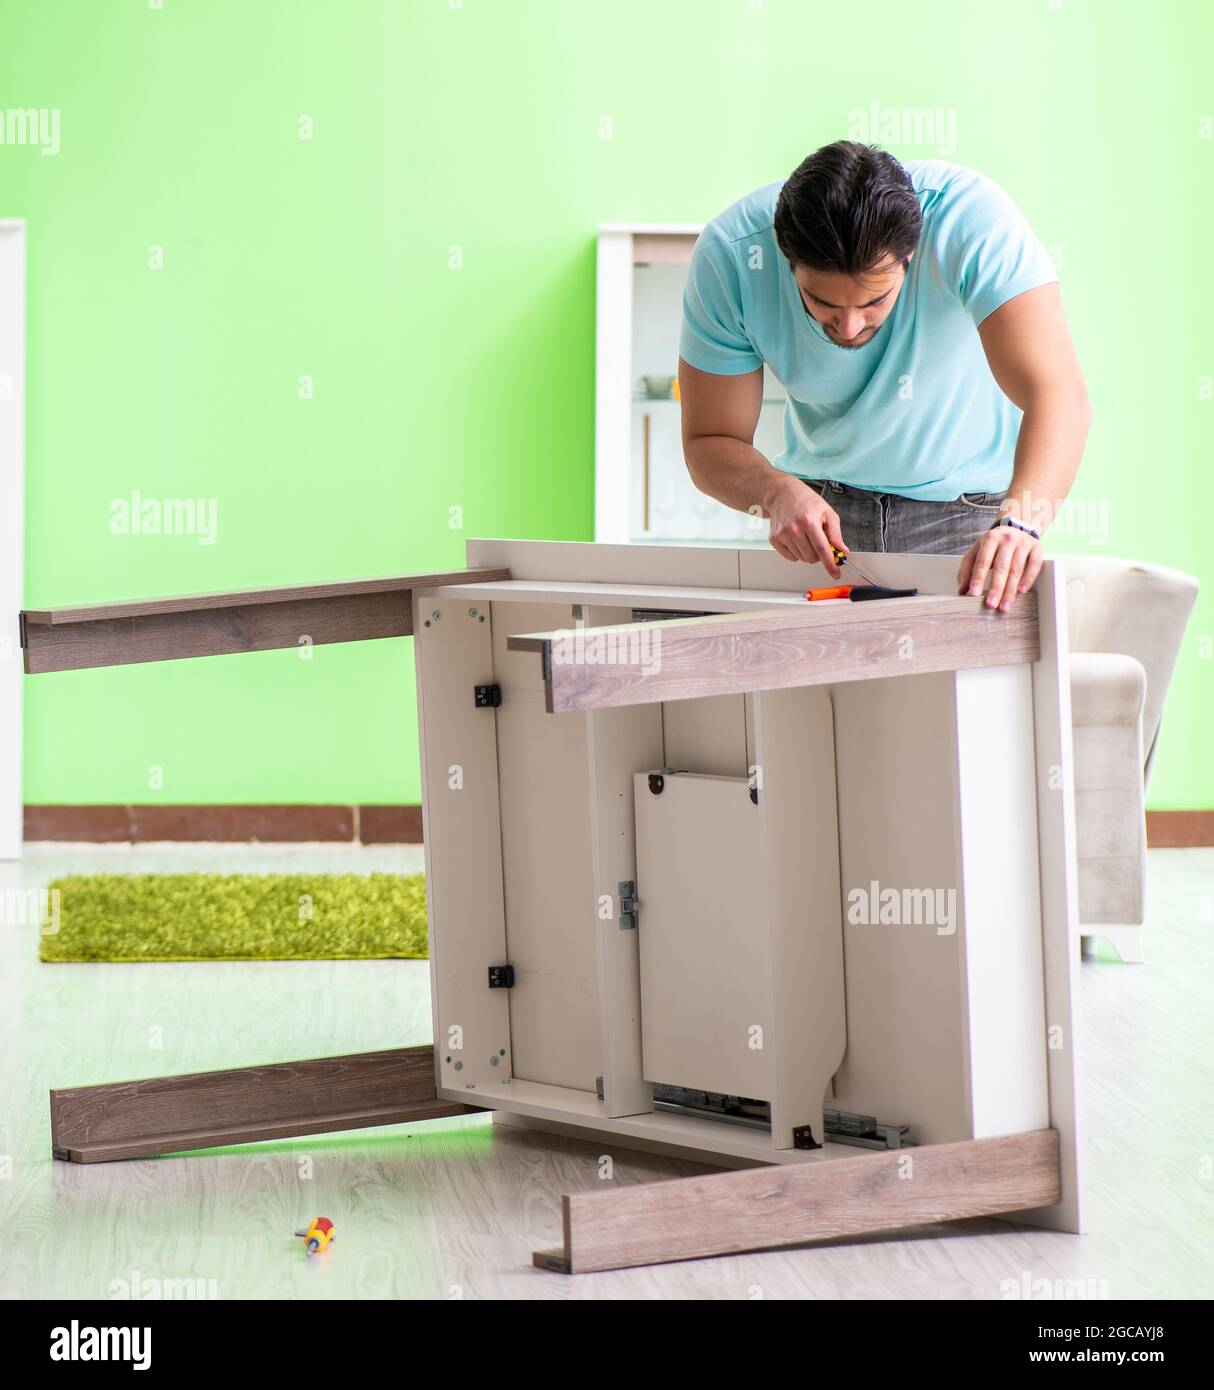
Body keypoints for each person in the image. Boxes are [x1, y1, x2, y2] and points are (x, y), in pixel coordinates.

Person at [678, 141, 1090, 612]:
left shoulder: (972, 220)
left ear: (911, 255)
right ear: (786, 260)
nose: (850, 327)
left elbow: (1058, 397)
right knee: (814, 686)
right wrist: (776, 493)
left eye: (873, 301)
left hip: (973, 519)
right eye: (823, 304)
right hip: (820, 523)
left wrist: (1021, 523)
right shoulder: (730, 257)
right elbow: (708, 441)